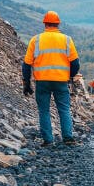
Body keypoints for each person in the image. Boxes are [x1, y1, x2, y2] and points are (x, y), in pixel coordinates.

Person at [22, 11, 80, 146]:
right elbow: (75, 63)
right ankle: (68, 138)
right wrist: (70, 76)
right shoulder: (67, 40)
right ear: (58, 24)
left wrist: (27, 83)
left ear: (45, 24)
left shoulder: (35, 40)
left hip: (42, 81)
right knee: (64, 109)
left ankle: (48, 140)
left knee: (44, 110)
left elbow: (26, 64)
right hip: (61, 81)